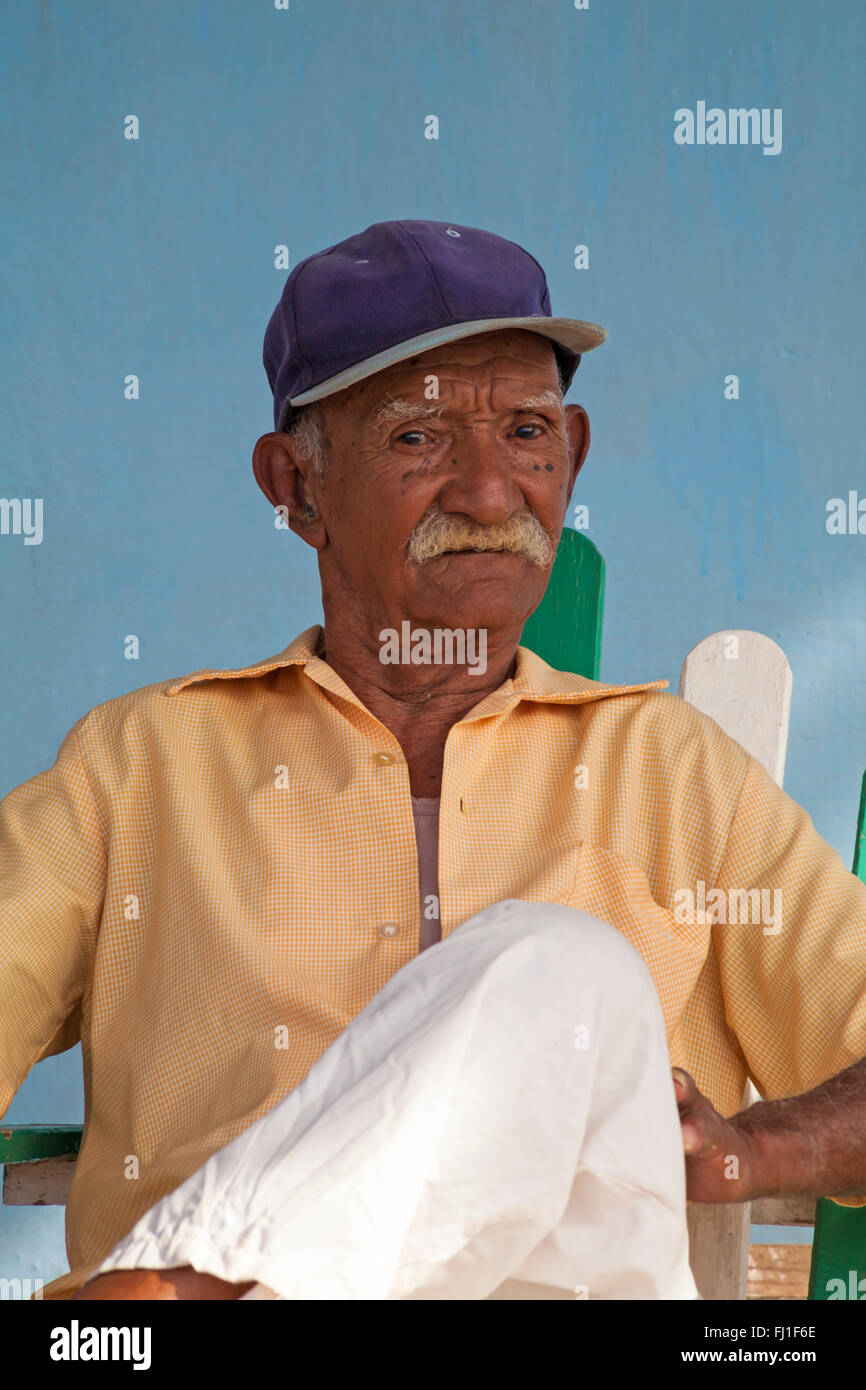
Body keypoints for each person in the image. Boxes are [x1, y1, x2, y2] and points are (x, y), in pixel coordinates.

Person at [2, 220, 864, 1301]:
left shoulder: (673, 775)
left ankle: (178, 1288)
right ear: (296, 488)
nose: (491, 494)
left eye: (525, 433)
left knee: (569, 968)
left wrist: (757, 1147)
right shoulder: (140, 770)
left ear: (573, 456)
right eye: (418, 439)